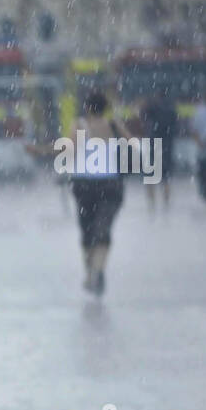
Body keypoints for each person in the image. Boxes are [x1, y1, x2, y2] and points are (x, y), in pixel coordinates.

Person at [69, 90, 130, 297]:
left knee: (87, 232)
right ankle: (97, 270)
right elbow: (134, 144)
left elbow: (67, 150)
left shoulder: (79, 125)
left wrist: (42, 150)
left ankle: (90, 272)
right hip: (111, 185)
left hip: (85, 186)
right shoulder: (114, 125)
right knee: (103, 230)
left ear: (87, 107)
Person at [140, 91, 178, 213]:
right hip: (167, 144)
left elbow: (142, 117)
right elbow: (176, 125)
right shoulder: (171, 109)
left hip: (153, 142)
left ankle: (151, 204)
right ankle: (166, 204)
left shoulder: (152, 108)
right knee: (165, 176)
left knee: (150, 176)